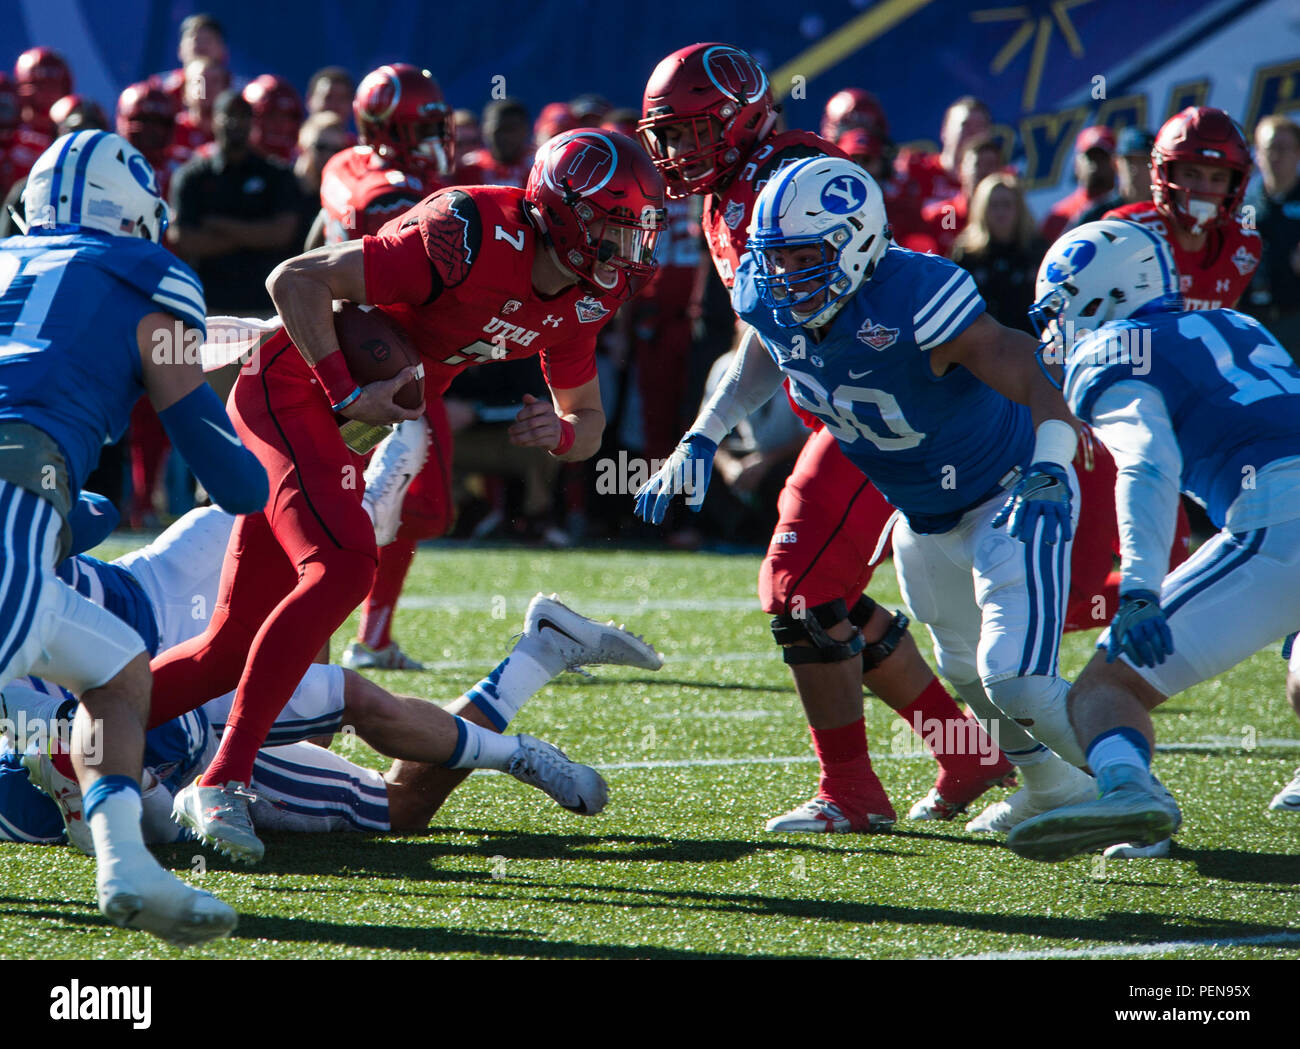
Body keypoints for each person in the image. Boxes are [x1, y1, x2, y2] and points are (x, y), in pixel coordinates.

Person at [145, 129, 666, 864]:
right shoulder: (471, 233)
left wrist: (557, 431)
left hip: (346, 428)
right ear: (567, 213)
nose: (630, 246)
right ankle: (223, 777)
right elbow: (295, 279)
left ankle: (76, 743)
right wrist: (349, 388)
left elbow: (589, 428)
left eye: (638, 226)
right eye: (617, 225)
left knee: (233, 645)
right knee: (345, 568)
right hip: (291, 390)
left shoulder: (586, 296)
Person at [636, 43, 1017, 835]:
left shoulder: (789, 182)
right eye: (665, 135)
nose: (673, 153)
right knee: (823, 594)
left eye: (688, 132)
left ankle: (851, 788)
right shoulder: (728, 192)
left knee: (797, 585)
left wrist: (709, 432)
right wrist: (703, 435)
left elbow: (818, 314)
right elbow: (767, 330)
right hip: (845, 411)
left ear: (735, 121)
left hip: (879, 413)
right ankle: (967, 753)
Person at [4, 505, 663, 849]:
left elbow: (109, 795)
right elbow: (85, 511)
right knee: (332, 654)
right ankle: (538, 657)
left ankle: (517, 733)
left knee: (372, 748)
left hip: (183, 699)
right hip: (181, 582)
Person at [0, 130, 269, 944]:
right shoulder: (146, 275)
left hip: (24, 496)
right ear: (138, 213)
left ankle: (127, 867)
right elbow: (232, 482)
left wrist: (74, 514)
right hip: (14, 479)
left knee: (117, 668)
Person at [1007, 219, 1300, 861]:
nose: (1054, 331)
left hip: (1281, 518)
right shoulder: (1239, 325)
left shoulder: (1114, 346)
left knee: (1104, 689)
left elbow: (1146, 461)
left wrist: (1138, 588)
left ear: (1099, 295)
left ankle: (1128, 792)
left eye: (1058, 309)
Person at [307, 63, 458, 670]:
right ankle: (349, 631)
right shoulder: (395, 195)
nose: (434, 139)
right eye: (421, 127)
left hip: (345, 355)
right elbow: (416, 284)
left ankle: (371, 636)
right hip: (396, 367)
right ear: (389, 127)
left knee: (367, 499)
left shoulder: (343, 165)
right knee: (418, 507)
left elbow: (316, 246)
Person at [168, 89, 303, 315]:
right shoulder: (191, 177)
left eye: (242, 116)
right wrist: (254, 236)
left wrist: (220, 226)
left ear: (252, 122)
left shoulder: (277, 174)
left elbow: (282, 234)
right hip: (207, 307)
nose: (235, 122)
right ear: (213, 121)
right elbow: (183, 240)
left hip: (264, 308)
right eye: (227, 115)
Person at [950, 173, 1046, 333]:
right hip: (980, 347)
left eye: (1007, 204)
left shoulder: (1038, 251)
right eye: (993, 205)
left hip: (1030, 345)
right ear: (981, 209)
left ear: (1019, 209)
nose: (1000, 212)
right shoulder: (965, 254)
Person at [1243, 115, 1300, 358]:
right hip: (1255, 323)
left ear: (1297, 153)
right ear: (1257, 153)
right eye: (1269, 148)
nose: (1276, 156)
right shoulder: (1244, 206)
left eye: (1284, 148)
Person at [1042, 126, 1117, 244]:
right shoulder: (1059, 216)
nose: (1095, 166)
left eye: (1102, 158)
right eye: (1090, 158)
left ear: (1116, 163)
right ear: (1077, 163)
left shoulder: (1125, 207)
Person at [1073, 126, 1154, 226]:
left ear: (1155, 165)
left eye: (1143, 161)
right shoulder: (1095, 218)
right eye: (1129, 161)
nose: (1135, 168)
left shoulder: (1168, 213)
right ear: (1115, 163)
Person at [457, 98, 532, 188]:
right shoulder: (469, 166)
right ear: (484, 131)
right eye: (498, 131)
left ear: (525, 130)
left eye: (512, 130)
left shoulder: (537, 168)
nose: (505, 137)